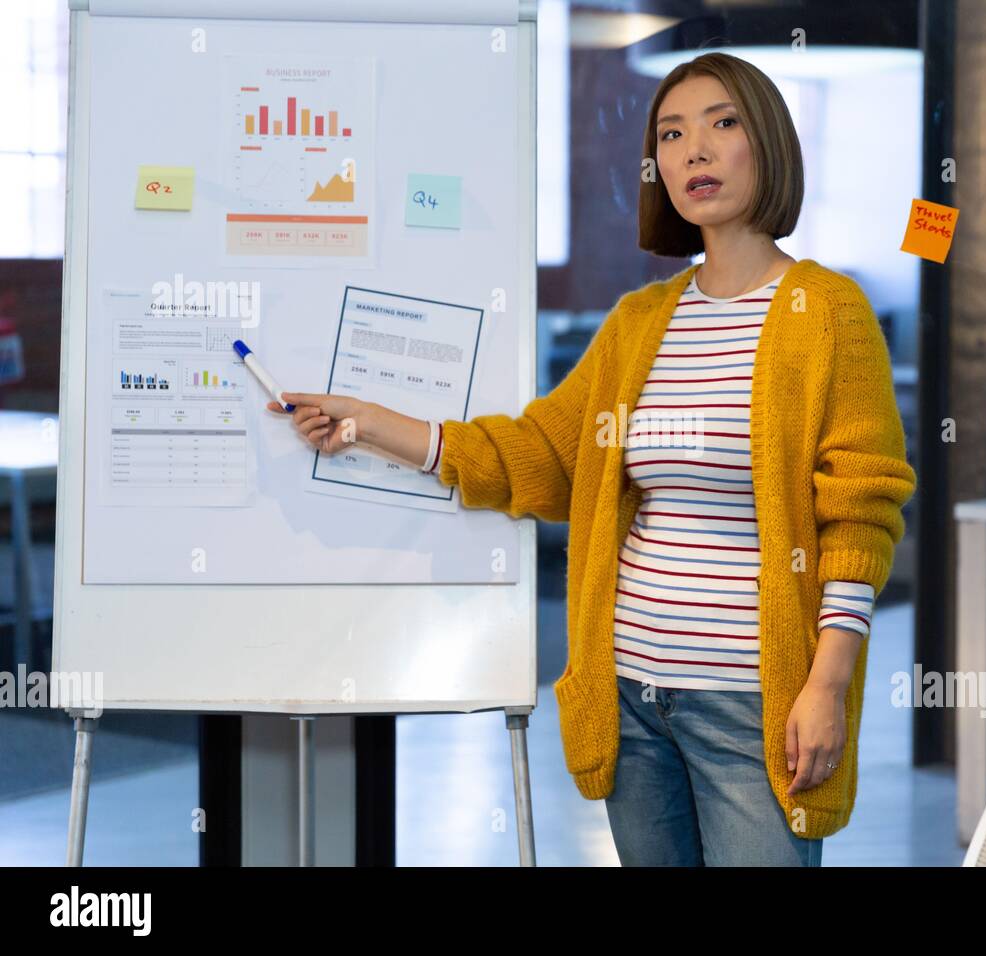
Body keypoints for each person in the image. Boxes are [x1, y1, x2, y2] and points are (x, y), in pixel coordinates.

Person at [270, 51, 915, 866]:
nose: (695, 152)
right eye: (672, 134)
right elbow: (542, 455)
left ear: (771, 145)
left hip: (755, 701)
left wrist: (827, 683)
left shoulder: (826, 311)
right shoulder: (639, 323)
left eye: (723, 124)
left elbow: (859, 513)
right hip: (631, 699)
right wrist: (370, 422)